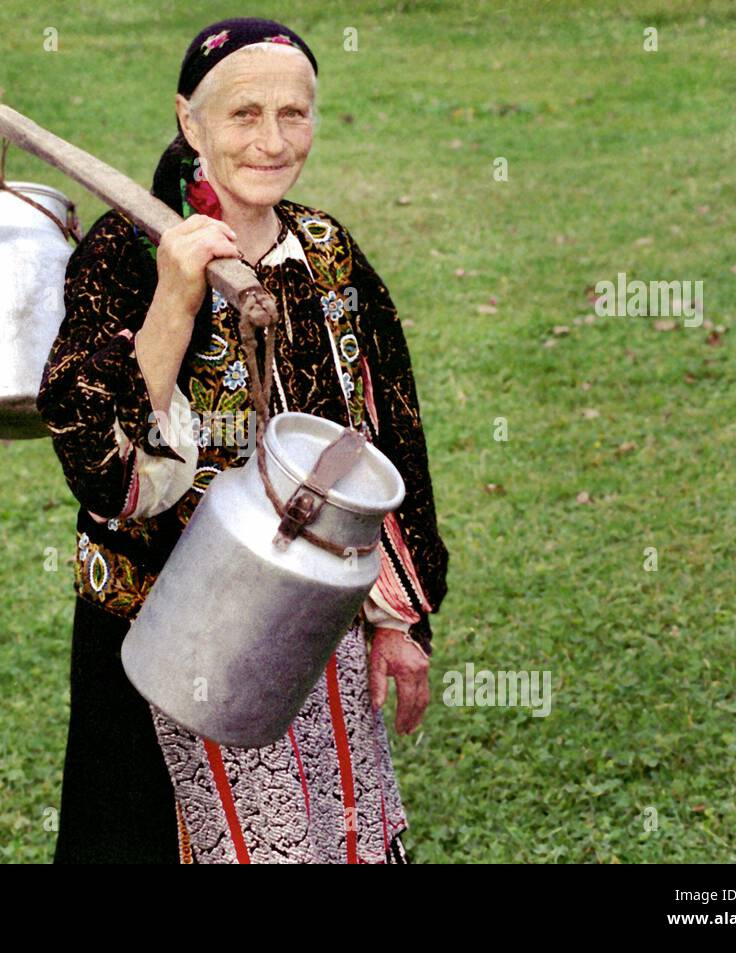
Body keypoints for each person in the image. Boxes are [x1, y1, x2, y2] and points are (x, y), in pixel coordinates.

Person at [37, 16, 448, 864]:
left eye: (294, 114)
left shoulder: (326, 252)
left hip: (309, 625)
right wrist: (175, 296)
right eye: (244, 115)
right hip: (163, 637)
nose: (272, 141)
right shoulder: (125, 251)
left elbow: (382, 439)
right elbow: (100, 471)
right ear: (189, 122)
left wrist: (397, 619)